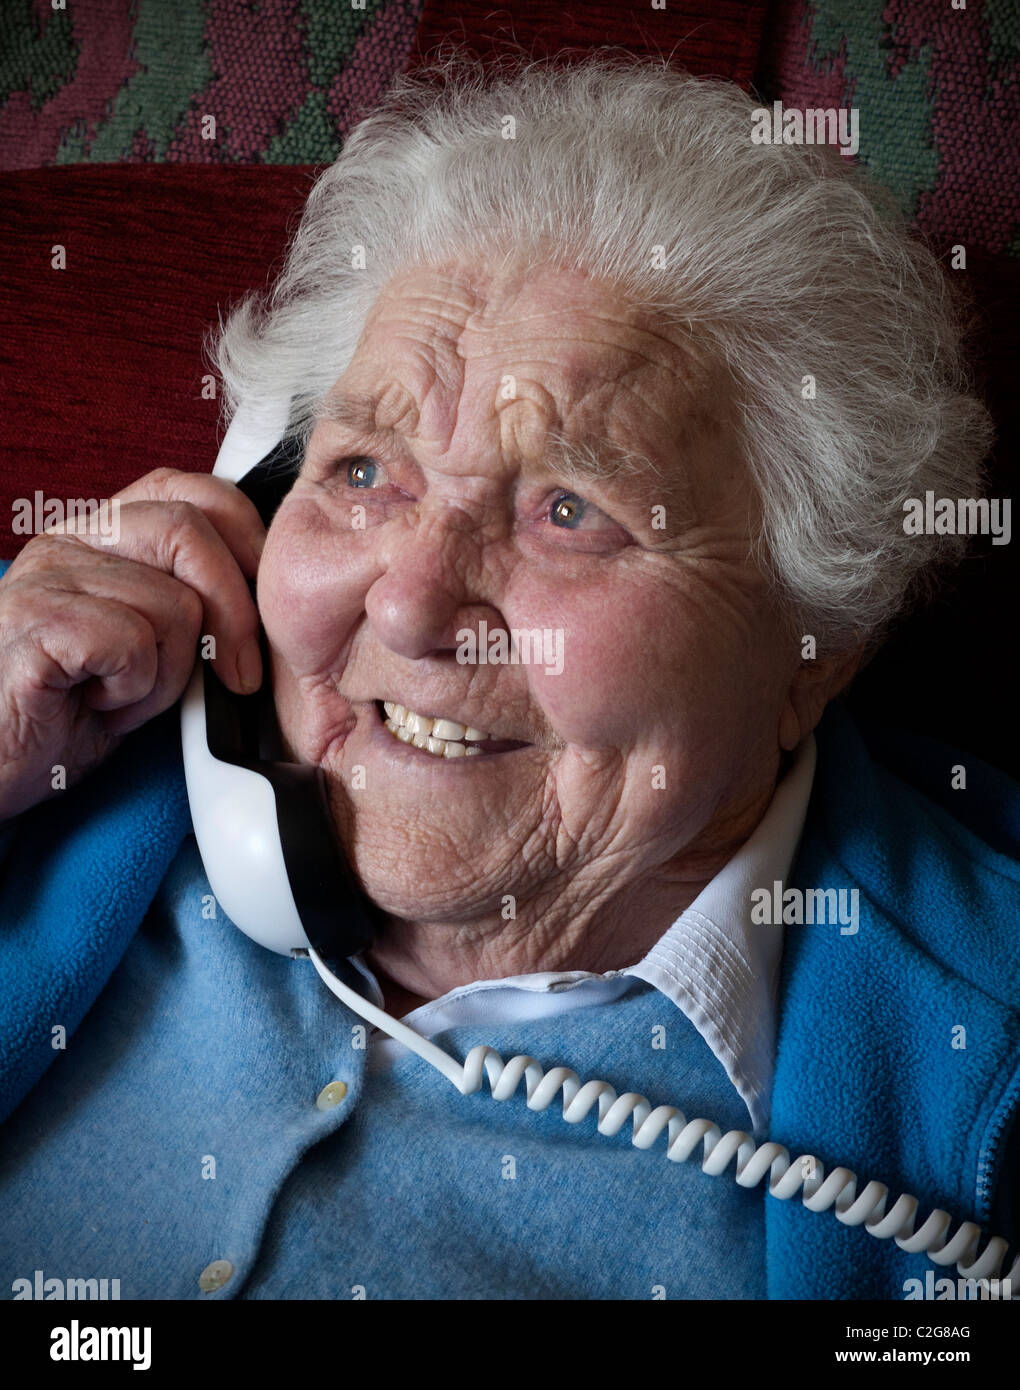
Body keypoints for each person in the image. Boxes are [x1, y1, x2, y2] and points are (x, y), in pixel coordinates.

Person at [0, 53, 1016, 1302]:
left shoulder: (980, 1068)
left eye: (570, 509)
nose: (414, 603)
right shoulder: (58, 759)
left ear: (818, 639)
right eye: (365, 472)